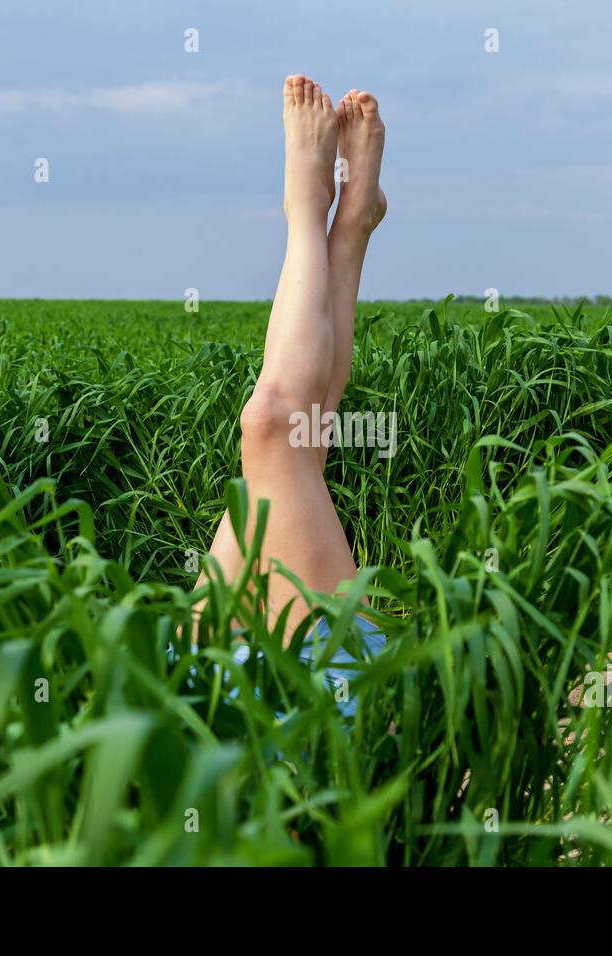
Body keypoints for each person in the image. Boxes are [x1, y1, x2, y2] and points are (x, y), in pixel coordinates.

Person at [196, 76, 389, 681]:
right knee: (275, 428)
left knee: (294, 443)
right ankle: (322, 217)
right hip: (320, 694)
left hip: (196, 682)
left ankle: (347, 223)